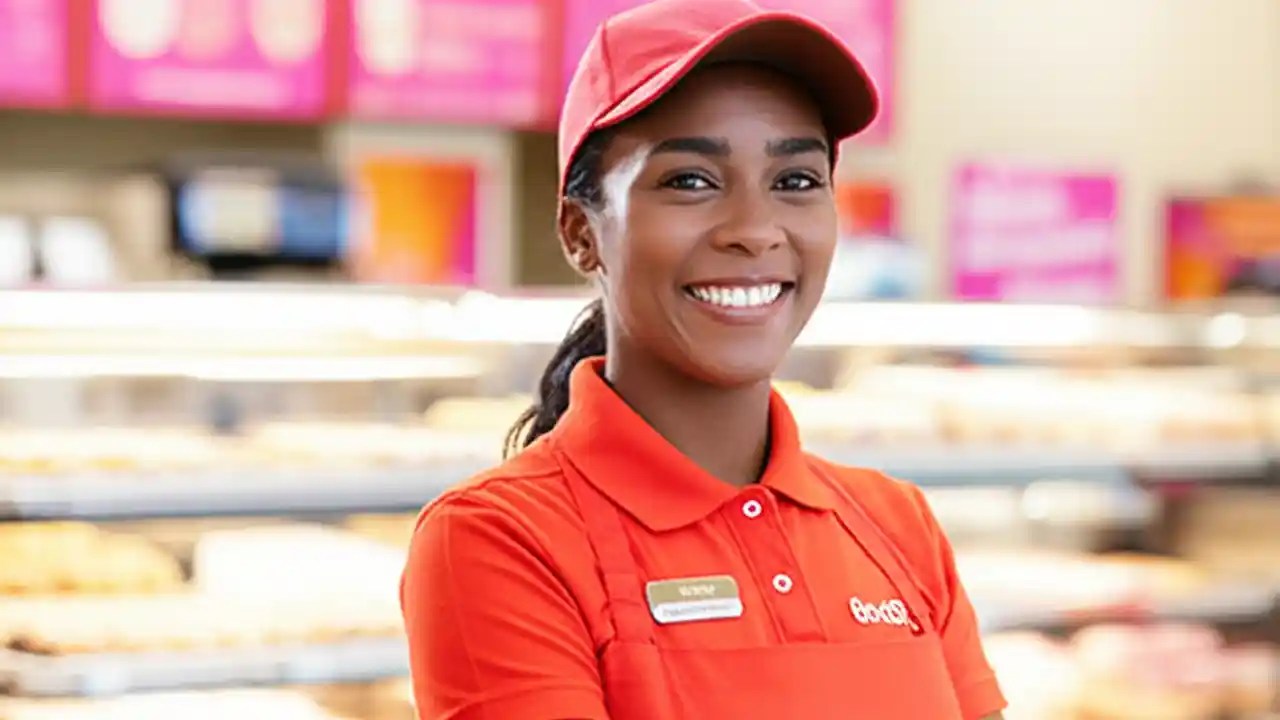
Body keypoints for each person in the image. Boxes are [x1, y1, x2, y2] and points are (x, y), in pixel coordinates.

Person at [401, 0, 1008, 718]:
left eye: (796, 182)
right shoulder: (501, 542)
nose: (755, 230)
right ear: (580, 232)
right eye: (690, 180)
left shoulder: (896, 524)